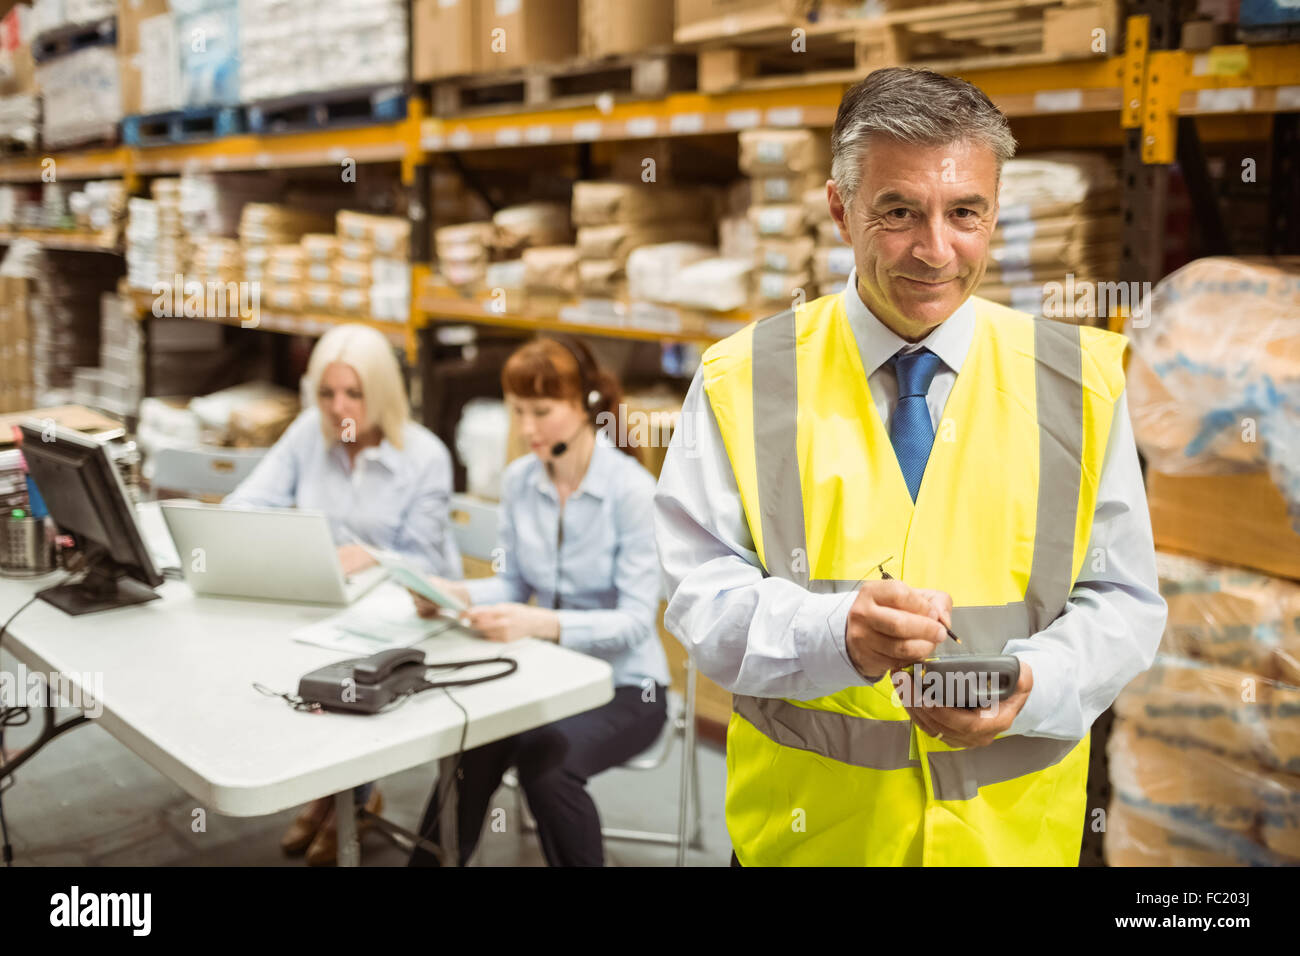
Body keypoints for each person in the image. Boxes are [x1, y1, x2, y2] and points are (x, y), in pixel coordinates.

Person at [653, 67, 1168, 867]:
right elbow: (698, 598)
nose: (935, 251)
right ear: (840, 209)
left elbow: (1124, 602)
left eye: (965, 212)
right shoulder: (741, 380)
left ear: (995, 209)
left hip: (1010, 847)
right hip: (811, 845)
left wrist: (1032, 682)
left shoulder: (1078, 382)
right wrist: (836, 636)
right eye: (898, 212)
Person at [406, 336, 669, 867]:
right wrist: (456, 595)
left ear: (586, 405)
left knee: (547, 767)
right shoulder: (520, 481)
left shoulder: (632, 492)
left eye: (542, 412)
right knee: (471, 745)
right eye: (518, 411)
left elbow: (635, 622)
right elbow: (511, 583)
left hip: (627, 686)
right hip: (545, 674)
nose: (528, 429)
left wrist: (540, 623)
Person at [224, 322, 462, 865]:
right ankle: (336, 794)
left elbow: (428, 564)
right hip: (328, 606)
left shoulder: (425, 456)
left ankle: (347, 800)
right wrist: (290, 540)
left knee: (342, 674)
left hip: (407, 617)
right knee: (267, 658)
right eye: (327, 393)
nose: (338, 408)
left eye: (353, 393)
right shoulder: (309, 433)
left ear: (381, 393)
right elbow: (244, 505)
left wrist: (375, 556)